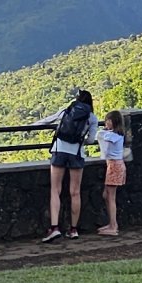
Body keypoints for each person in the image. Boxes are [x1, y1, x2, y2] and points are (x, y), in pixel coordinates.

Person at [43, 89, 94, 241]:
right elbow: (91, 140)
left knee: (55, 190)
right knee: (75, 192)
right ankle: (73, 230)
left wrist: (30, 126)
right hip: (77, 153)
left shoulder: (68, 110)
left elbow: (49, 120)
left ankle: (54, 228)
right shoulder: (92, 117)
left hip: (59, 151)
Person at [96, 109, 129, 237]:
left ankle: (113, 226)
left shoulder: (114, 136)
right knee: (107, 195)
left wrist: (102, 131)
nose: (106, 123)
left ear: (113, 122)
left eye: (108, 121)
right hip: (113, 165)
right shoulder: (117, 135)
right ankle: (111, 224)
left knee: (111, 197)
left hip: (114, 166)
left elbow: (101, 136)